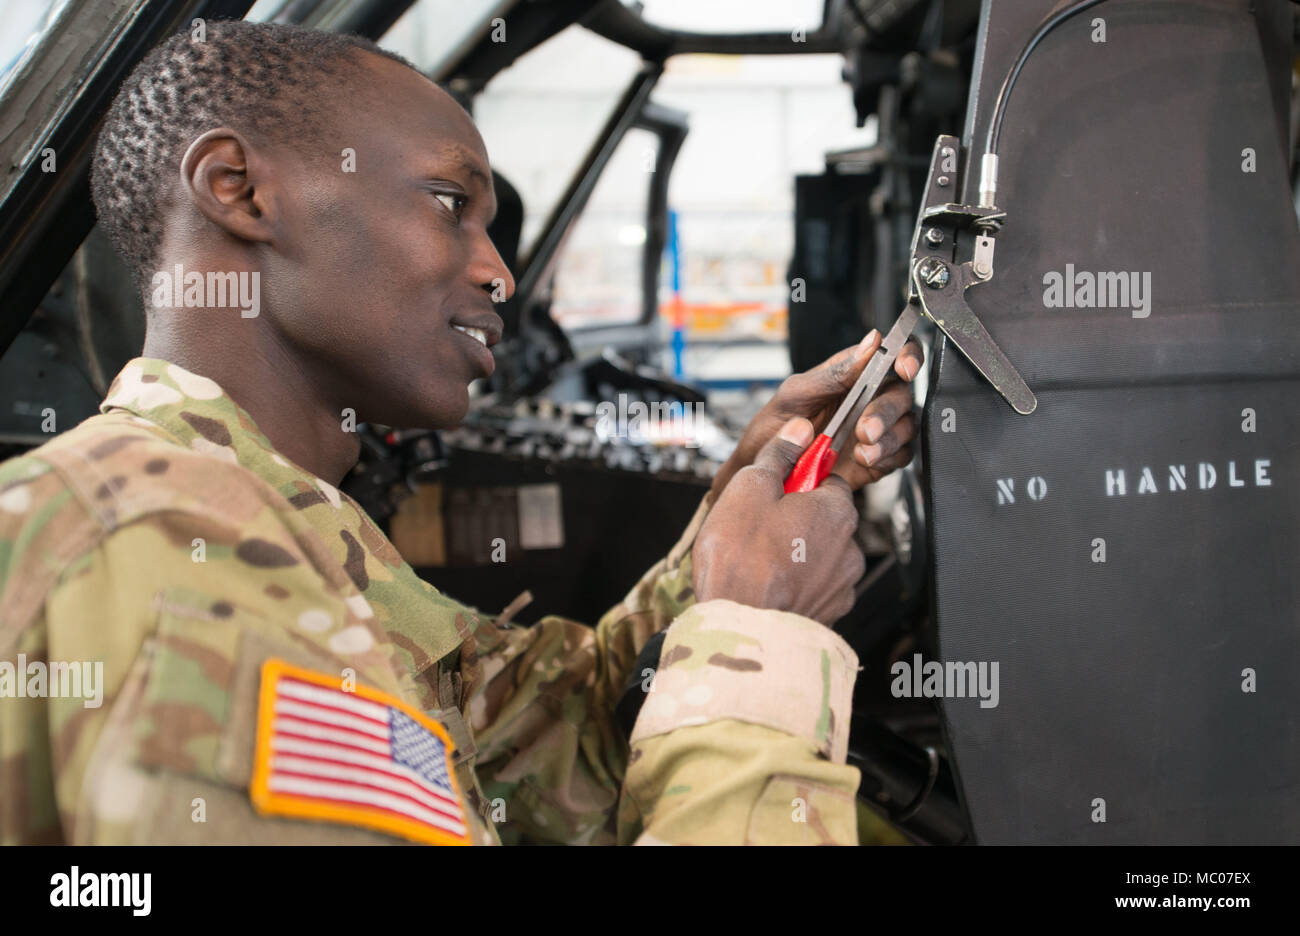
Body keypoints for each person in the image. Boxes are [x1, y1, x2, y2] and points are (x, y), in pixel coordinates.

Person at [0, 21, 921, 845]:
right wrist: (762, 636)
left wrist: (748, 508)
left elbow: (567, 748)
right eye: (450, 203)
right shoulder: (150, 553)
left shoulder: (292, 530)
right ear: (238, 190)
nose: (499, 273)